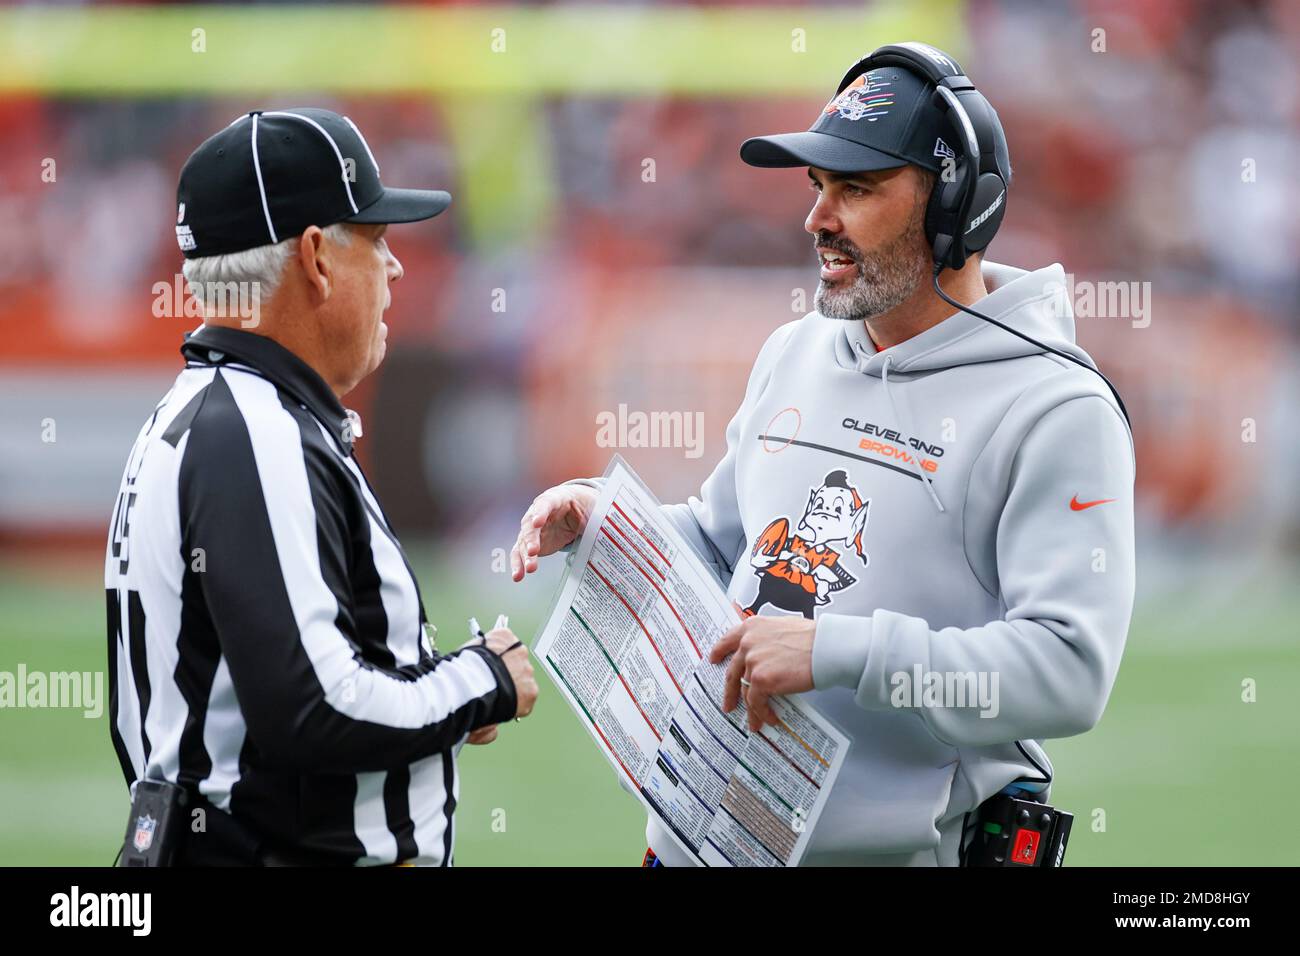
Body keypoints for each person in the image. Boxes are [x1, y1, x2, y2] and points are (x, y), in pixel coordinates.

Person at [510, 44, 1134, 866]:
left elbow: (1066, 673)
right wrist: (610, 523)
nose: (818, 218)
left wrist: (840, 651)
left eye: (857, 189)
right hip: (698, 841)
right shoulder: (796, 348)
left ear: (954, 206)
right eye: (818, 187)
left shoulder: (1054, 407)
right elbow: (733, 543)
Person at [106, 108, 537, 866]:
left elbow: (298, 677)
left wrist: (434, 687)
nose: (395, 266)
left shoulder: (215, 413)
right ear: (315, 257)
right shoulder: (253, 430)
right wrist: (481, 681)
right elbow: (314, 707)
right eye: (373, 239)